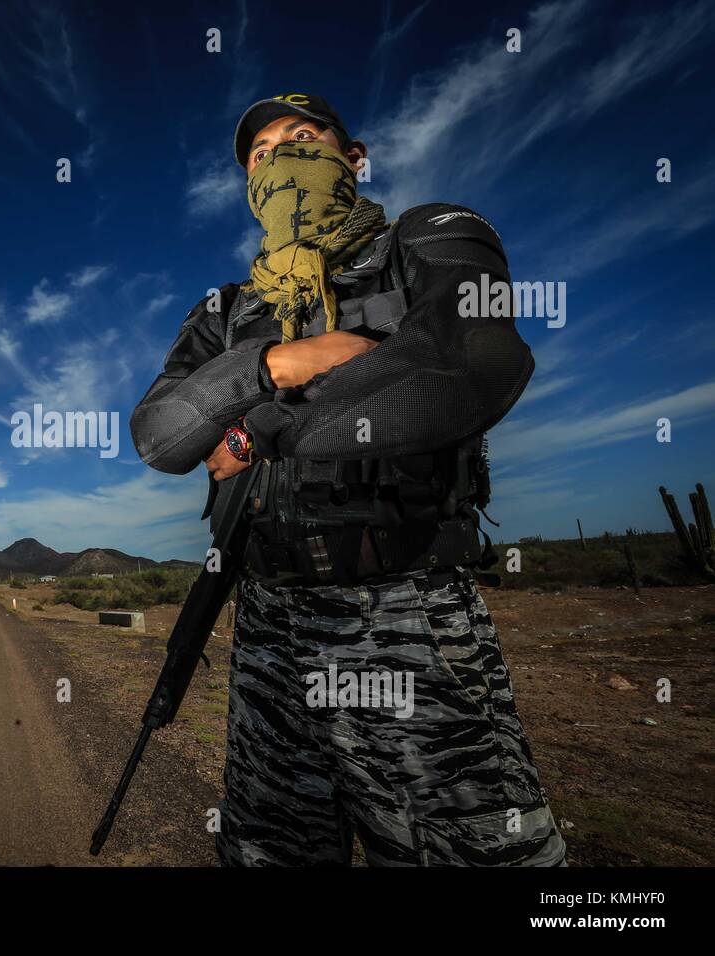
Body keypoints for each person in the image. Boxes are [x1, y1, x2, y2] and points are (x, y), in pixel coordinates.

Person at [130, 92, 565, 866]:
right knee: (270, 850)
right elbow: (160, 435)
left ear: (353, 156)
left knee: (465, 852)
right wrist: (271, 363)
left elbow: (470, 363)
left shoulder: (433, 234)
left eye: (302, 137)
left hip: (406, 611)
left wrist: (254, 425)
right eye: (262, 154)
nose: (280, 158)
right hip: (266, 624)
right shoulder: (227, 309)